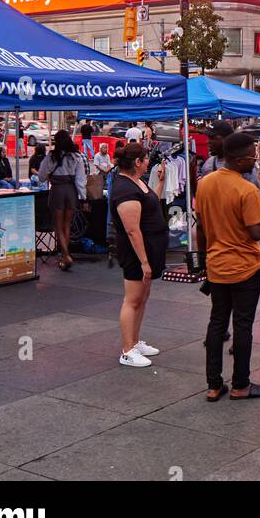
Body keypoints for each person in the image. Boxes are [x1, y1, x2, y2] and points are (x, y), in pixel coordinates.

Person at [196, 131, 260, 401]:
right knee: (243, 325)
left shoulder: (204, 183)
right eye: (253, 156)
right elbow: (256, 232)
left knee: (216, 324)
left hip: (216, 265)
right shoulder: (246, 189)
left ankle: (213, 385)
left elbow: (201, 227)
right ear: (239, 160)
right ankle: (241, 384)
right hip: (244, 268)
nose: (256, 160)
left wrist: (204, 258)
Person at [109, 143, 167, 367]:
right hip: (136, 253)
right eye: (145, 159)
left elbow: (151, 205)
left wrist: (160, 183)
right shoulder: (124, 188)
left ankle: (134, 342)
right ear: (137, 162)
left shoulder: (137, 182)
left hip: (151, 248)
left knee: (142, 297)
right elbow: (132, 230)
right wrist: (144, 261)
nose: (148, 163)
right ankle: (127, 350)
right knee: (132, 300)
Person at [38, 130, 87, 270]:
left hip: (57, 190)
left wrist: (49, 177)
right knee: (67, 224)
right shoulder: (76, 156)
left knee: (58, 225)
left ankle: (65, 255)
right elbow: (80, 179)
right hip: (71, 191)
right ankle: (65, 256)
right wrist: (82, 197)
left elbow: (41, 176)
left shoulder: (51, 156)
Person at [198, 121, 259, 187]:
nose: (208, 142)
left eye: (212, 138)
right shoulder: (208, 165)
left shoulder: (242, 164)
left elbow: (253, 191)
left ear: (227, 139)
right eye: (208, 138)